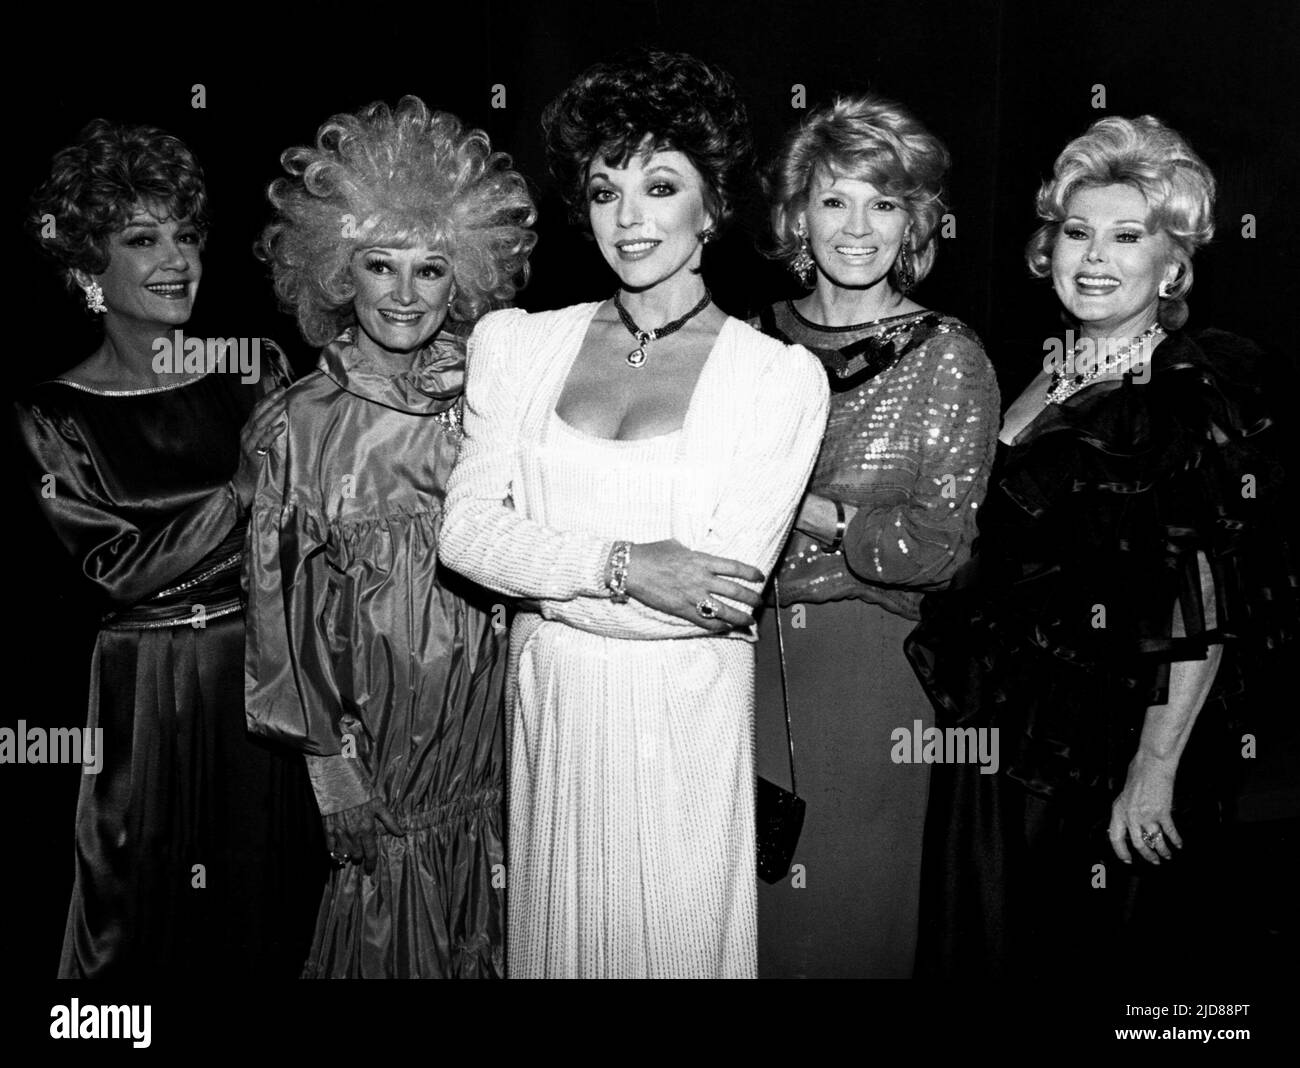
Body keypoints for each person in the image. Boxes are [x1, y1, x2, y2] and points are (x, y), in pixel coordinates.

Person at [438, 50, 829, 979]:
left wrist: (543, 570)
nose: (629, 217)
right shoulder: (516, 344)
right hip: (555, 719)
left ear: (713, 206)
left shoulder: (778, 378)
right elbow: (464, 538)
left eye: (660, 186)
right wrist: (628, 564)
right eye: (606, 189)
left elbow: (717, 599)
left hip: (684, 727)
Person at [906, 115, 1296, 979]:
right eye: (1077, 232)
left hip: (1106, 750)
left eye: (1129, 236)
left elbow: (1208, 604)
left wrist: (1153, 768)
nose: (1094, 257)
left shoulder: (1186, 396)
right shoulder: (1046, 373)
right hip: (1010, 732)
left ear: (1174, 264)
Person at [14, 118, 323, 978]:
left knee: (267, 910)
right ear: (86, 269)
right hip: (138, 688)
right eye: (141, 239)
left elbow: (311, 524)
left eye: (185, 234)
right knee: (133, 918)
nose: (176, 258)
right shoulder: (51, 414)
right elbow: (108, 574)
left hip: (257, 668)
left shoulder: (253, 366)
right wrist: (239, 495)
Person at [245, 97, 536, 978]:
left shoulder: (495, 403)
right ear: (339, 272)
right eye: (381, 265)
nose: (406, 295)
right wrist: (333, 775)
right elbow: (278, 620)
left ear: (469, 279)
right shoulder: (298, 428)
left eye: (432, 269)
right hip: (391, 785)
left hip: (506, 758)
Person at [750, 94, 999, 978]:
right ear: (795, 216)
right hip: (736, 654)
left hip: (870, 672)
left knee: (845, 917)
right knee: (746, 914)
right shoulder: (748, 344)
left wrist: (803, 509)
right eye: (834, 200)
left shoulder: (946, 356)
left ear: (914, 224)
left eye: (884, 204)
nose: (858, 228)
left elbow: (938, 549)